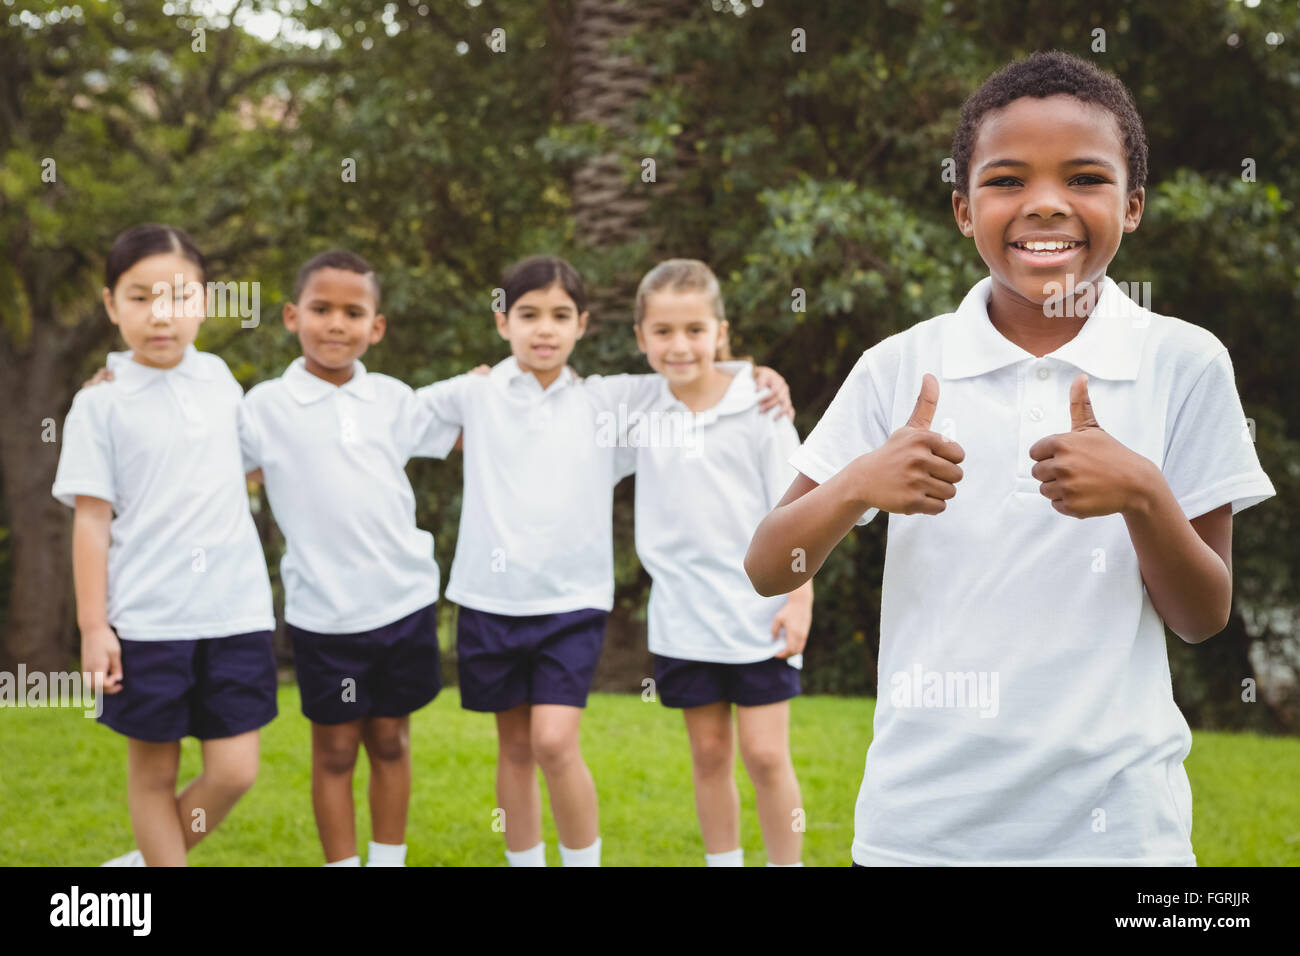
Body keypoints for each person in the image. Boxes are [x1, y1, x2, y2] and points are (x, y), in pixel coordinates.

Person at [745, 51, 1276, 866]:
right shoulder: (900, 364)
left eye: (1086, 178)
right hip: (919, 832)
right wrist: (859, 485)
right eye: (1006, 180)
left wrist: (1142, 492)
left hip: (1121, 833)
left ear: (1132, 206)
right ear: (963, 209)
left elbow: (1202, 616)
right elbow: (770, 567)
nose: (1046, 204)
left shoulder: (1185, 361)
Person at [418, 255, 794, 866]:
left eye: (560, 315)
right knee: (514, 749)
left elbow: (699, 373)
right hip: (489, 601)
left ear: (583, 325)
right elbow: (398, 424)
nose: (544, 329)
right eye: (529, 314)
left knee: (553, 741)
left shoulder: (611, 404)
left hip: (574, 605)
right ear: (501, 322)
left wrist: (758, 374)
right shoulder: (477, 394)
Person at [53, 223, 277, 867]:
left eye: (179, 297)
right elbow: (92, 521)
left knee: (234, 771)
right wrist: (93, 627)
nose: (160, 315)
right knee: (152, 774)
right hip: (148, 620)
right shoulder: (100, 404)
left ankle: (146, 864)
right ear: (110, 305)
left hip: (235, 613)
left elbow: (259, 465)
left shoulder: (221, 383)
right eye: (140, 297)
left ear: (205, 302)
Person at [238, 250, 463, 868]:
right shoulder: (262, 408)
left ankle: (387, 861)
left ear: (377, 326)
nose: (337, 324)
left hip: (403, 603)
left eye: (353, 312)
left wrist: (501, 386)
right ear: (292, 316)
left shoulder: (395, 400)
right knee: (334, 750)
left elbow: (477, 424)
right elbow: (203, 458)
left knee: (390, 740)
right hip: (323, 616)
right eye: (321, 309)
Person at [629, 259, 813, 867]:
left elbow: (799, 510)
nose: (679, 346)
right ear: (641, 338)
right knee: (708, 754)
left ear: (720, 333)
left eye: (693, 330)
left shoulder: (761, 405)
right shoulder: (636, 408)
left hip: (760, 616)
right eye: (663, 332)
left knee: (764, 754)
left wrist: (800, 600)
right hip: (683, 618)